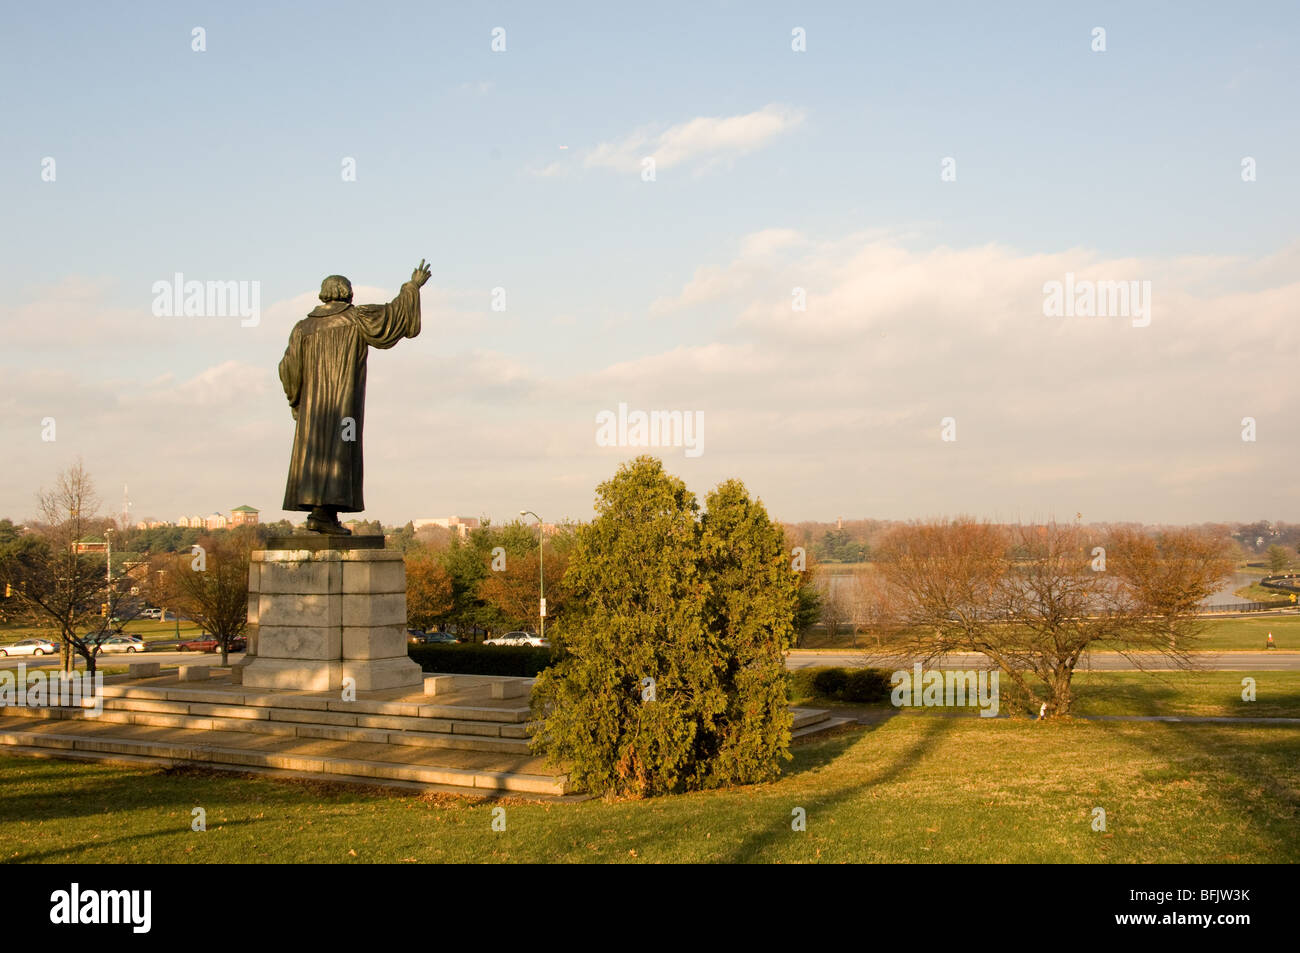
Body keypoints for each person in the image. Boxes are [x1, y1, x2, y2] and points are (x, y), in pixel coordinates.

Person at [279, 261, 431, 535]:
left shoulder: (302, 328)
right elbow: (393, 318)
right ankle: (324, 515)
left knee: (315, 452)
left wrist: (297, 401)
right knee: (341, 449)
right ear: (348, 294)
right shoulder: (356, 318)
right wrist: (413, 286)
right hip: (342, 405)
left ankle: (321, 514)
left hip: (313, 411)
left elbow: (288, 369)